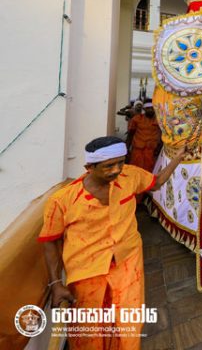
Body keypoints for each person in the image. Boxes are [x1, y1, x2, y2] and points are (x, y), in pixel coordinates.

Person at [38, 136, 188, 349]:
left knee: (129, 320)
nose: (117, 169)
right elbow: (50, 241)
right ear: (89, 167)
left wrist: (179, 157)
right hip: (87, 271)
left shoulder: (130, 176)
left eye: (120, 162)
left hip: (128, 262)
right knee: (88, 329)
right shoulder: (63, 200)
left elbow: (158, 182)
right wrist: (55, 284)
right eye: (109, 165)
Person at [126, 103, 161, 172]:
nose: (150, 110)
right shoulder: (136, 119)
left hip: (151, 150)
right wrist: (126, 148)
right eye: (148, 108)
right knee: (135, 169)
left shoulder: (159, 120)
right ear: (144, 109)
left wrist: (159, 147)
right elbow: (130, 134)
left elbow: (162, 135)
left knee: (150, 170)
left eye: (152, 108)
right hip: (137, 150)